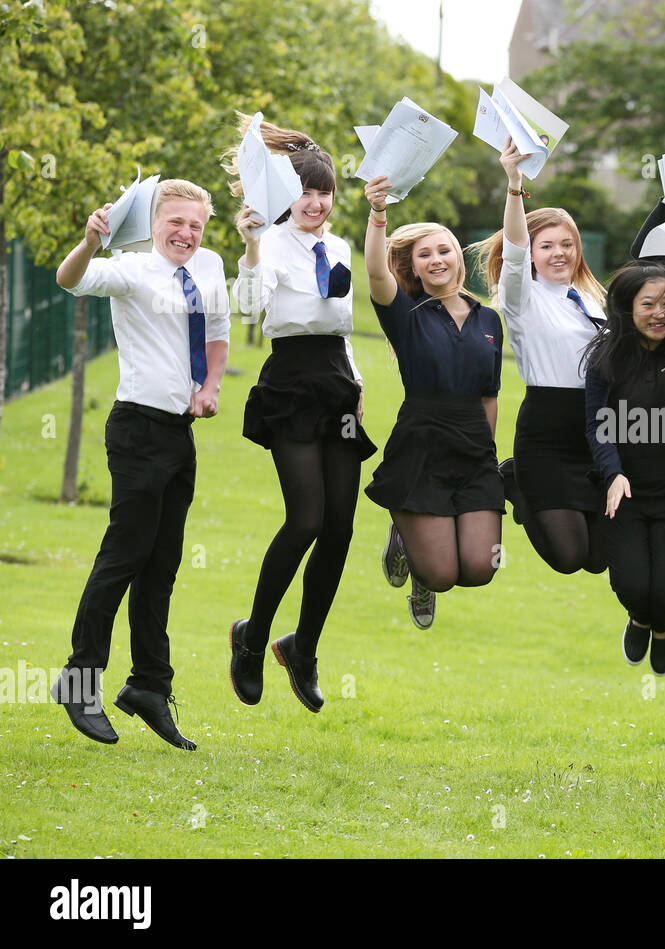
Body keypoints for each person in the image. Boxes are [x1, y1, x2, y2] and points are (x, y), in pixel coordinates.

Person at [50, 178, 230, 751]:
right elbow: (69, 279)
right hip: (136, 428)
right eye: (176, 222)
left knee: (162, 565)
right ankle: (79, 681)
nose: (186, 233)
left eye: (196, 225)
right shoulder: (129, 267)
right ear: (154, 221)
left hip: (180, 434)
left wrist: (212, 387)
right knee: (124, 554)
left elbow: (220, 333)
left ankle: (150, 686)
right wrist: (88, 241)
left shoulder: (211, 266)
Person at [224, 116, 376, 714]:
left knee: (341, 527)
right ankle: (253, 637)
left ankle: (303, 647)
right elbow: (248, 311)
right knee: (307, 519)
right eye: (304, 193)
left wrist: (358, 383)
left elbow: (341, 328)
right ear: (286, 195)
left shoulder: (337, 246)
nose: (314, 203)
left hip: (338, 383)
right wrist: (252, 245)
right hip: (291, 385)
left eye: (323, 192)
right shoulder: (272, 241)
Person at [362, 174, 504, 628]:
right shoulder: (406, 315)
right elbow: (375, 271)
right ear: (415, 268)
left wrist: (488, 454)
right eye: (425, 254)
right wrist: (379, 213)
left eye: (444, 250)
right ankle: (413, 550)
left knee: (482, 568)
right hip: (421, 445)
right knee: (441, 575)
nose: (437, 259)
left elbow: (490, 395)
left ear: (458, 257)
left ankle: (417, 542)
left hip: (474, 450)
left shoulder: (489, 320)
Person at [583, 220, 665, 676]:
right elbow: (598, 426)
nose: (659, 313)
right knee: (633, 586)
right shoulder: (605, 360)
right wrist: (612, 474)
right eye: (648, 304)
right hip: (626, 492)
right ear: (627, 307)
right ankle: (641, 618)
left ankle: (664, 627)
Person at [475, 140, 608, 576]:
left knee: (599, 559)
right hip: (547, 429)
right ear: (533, 253)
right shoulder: (521, 298)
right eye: (547, 245)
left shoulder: (595, 299)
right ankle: (517, 483)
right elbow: (511, 253)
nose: (560, 253)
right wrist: (515, 183)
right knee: (568, 560)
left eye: (567, 244)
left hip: (595, 427)